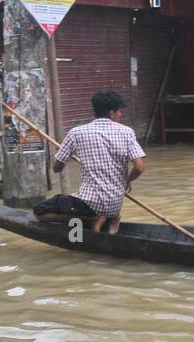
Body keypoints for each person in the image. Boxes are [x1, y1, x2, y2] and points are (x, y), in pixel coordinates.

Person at [33, 90, 146, 234]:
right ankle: (108, 219)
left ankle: (89, 217)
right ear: (111, 113)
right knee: (77, 199)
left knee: (39, 212)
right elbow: (140, 167)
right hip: (114, 205)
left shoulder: (76, 132)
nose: (120, 114)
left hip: (90, 204)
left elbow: (56, 168)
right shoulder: (127, 132)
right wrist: (127, 181)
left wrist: (66, 157)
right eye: (119, 111)